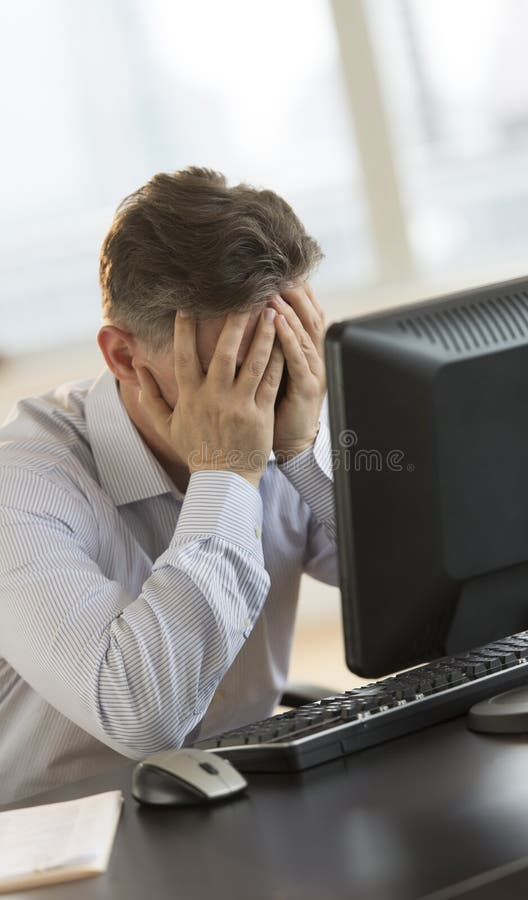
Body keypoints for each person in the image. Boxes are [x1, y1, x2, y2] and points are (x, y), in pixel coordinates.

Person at [0, 167, 337, 803]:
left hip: (240, 798)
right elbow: (141, 714)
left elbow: (420, 595)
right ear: (125, 358)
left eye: (287, 349)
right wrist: (226, 475)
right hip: (65, 851)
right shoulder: (21, 486)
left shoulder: (291, 409)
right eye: (237, 368)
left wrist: (300, 455)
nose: (267, 390)